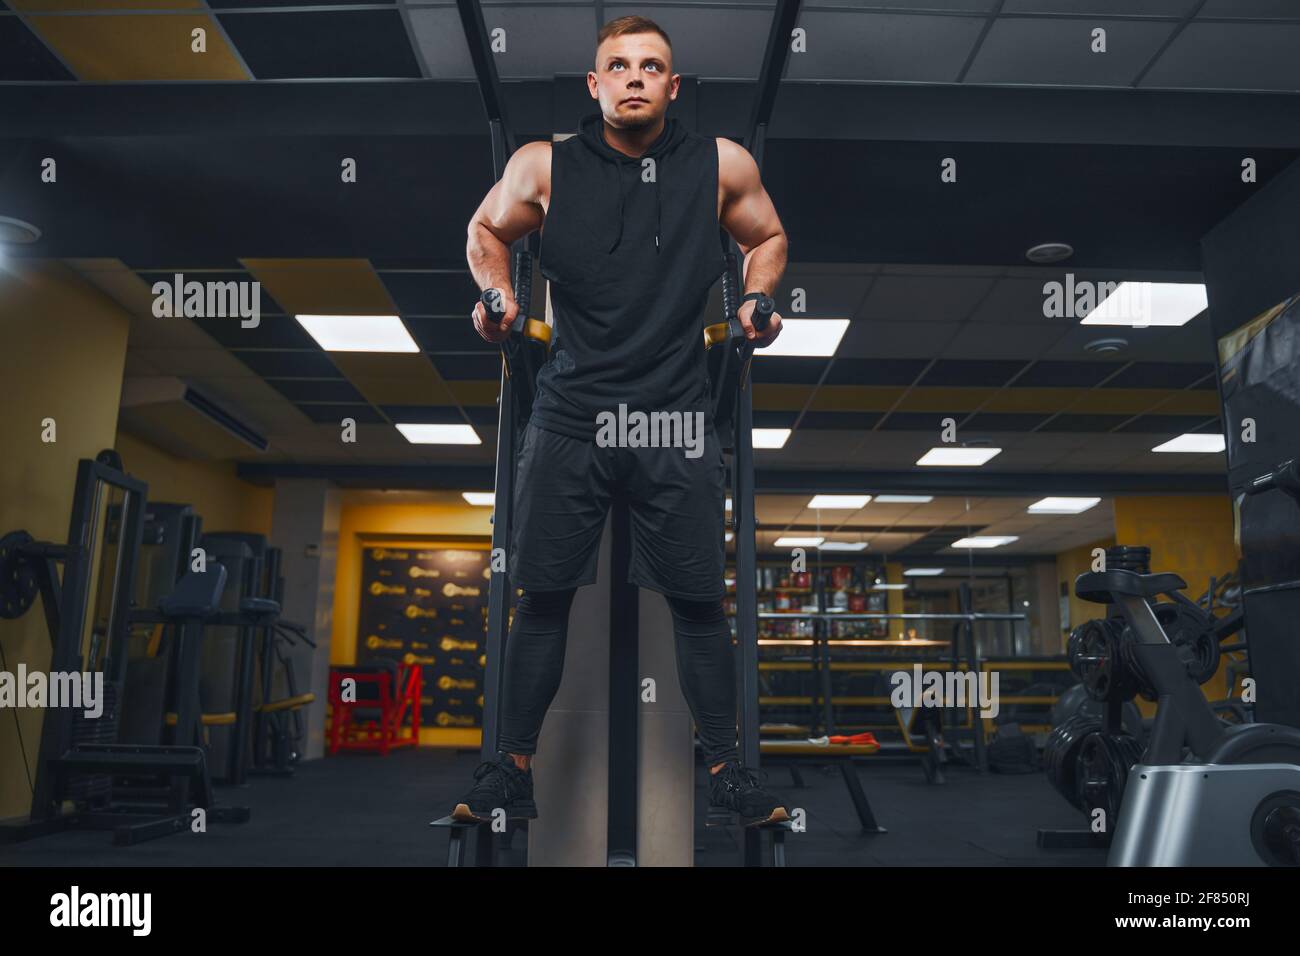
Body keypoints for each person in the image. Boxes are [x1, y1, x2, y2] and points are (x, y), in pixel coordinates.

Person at [456, 14, 789, 828]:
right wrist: (498, 295)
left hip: (676, 415)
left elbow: (768, 236)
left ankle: (727, 771)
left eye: (651, 67)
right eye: (618, 65)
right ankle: (512, 768)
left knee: (699, 602)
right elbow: (486, 230)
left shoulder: (720, 165)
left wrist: (757, 294)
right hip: (572, 410)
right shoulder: (545, 165)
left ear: (672, 88)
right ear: (595, 85)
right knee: (540, 595)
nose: (634, 77)